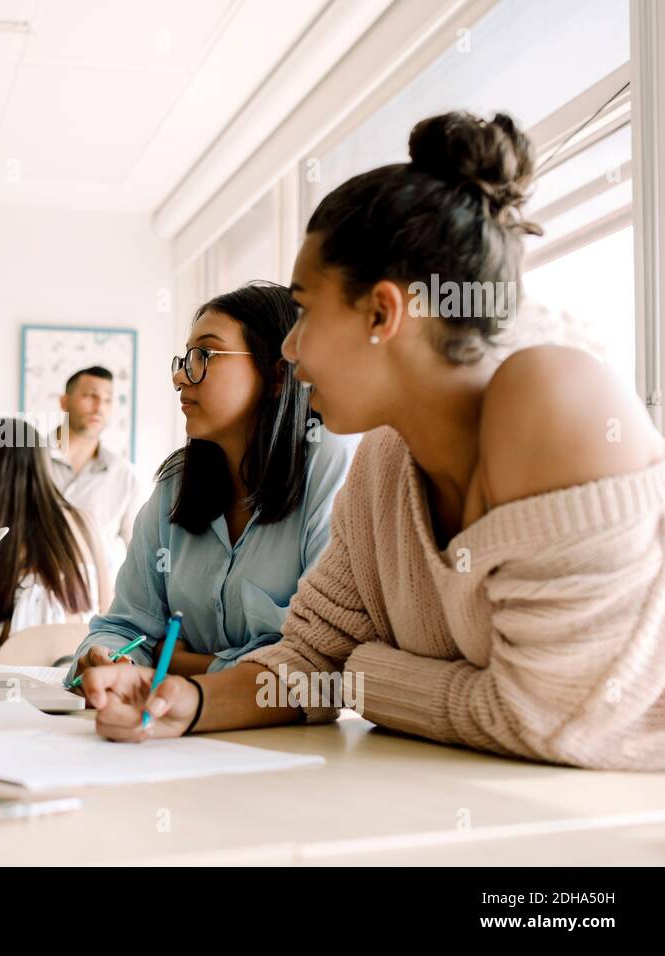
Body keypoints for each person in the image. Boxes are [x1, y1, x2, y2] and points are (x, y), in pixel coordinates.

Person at [83, 112, 665, 771]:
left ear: (383, 313)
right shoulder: (385, 461)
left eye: (303, 309)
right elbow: (309, 661)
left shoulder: (553, 396)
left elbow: (551, 722)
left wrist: (365, 675)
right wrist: (187, 702)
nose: (292, 348)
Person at [69, 282, 354, 681]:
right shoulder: (177, 483)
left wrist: (192, 665)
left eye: (204, 355)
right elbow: (126, 628)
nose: (180, 378)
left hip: (296, 739)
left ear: (276, 374)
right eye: (184, 358)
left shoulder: (333, 465)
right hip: (176, 731)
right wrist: (108, 660)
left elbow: (323, 653)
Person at [0, 418, 112, 657]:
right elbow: (106, 609)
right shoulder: (84, 522)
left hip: (7, 674)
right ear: (42, 466)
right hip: (79, 672)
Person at [48, 366, 143, 576]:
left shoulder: (124, 475)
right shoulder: (29, 461)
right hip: (29, 597)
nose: (99, 406)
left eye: (108, 399)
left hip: (95, 602)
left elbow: (137, 552)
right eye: (91, 396)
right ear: (64, 402)